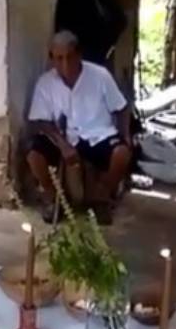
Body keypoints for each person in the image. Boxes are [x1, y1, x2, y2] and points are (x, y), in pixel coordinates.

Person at [27, 30, 134, 223]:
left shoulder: (100, 76)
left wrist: (126, 136)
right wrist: (62, 144)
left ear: (79, 55)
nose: (65, 65)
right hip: (63, 137)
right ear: (52, 58)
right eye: (59, 59)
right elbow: (40, 121)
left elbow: (122, 107)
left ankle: (102, 198)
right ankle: (53, 198)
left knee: (122, 153)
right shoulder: (45, 83)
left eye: (70, 57)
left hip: (97, 134)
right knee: (34, 155)